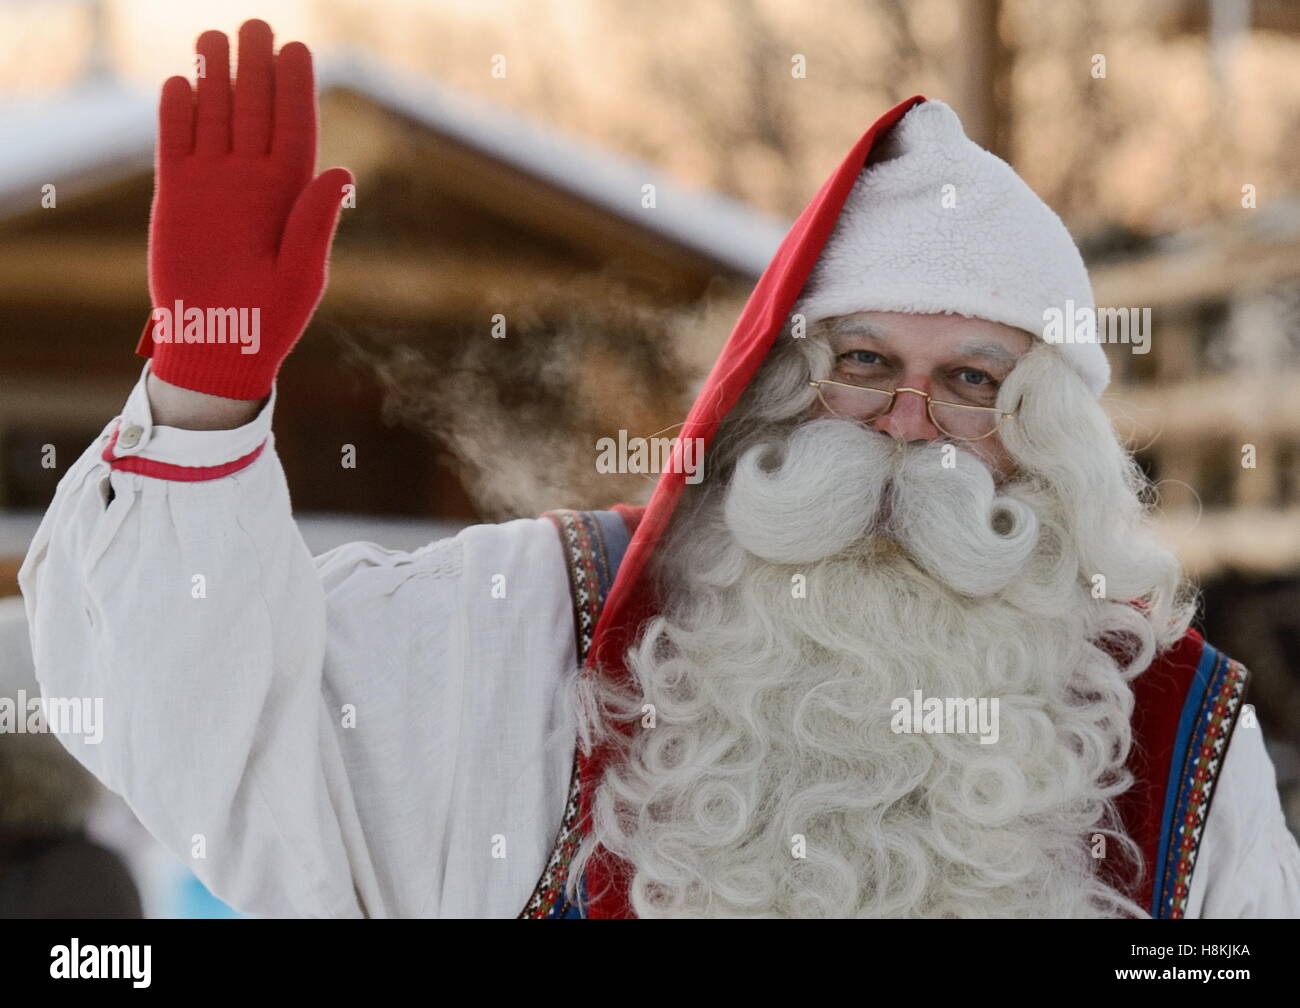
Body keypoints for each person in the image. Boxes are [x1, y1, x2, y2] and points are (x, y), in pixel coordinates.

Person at [20, 19, 1300, 918]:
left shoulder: (1173, 739)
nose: (907, 422)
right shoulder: (540, 632)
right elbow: (213, 725)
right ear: (774, 390)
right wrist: (206, 384)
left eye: (972, 380)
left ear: (1044, 438)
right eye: (860, 360)